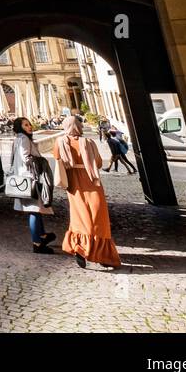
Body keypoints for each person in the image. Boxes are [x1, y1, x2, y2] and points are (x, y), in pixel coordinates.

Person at [55, 115, 120, 269]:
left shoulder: (60, 142)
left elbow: (57, 158)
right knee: (99, 218)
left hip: (73, 184)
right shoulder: (88, 142)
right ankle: (102, 254)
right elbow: (98, 163)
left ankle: (80, 248)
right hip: (92, 183)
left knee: (79, 217)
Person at [11, 117, 56, 254]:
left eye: (29, 124)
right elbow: (26, 158)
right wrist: (41, 161)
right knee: (34, 210)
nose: (29, 126)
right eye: (26, 125)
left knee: (36, 209)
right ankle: (37, 243)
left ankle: (42, 235)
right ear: (20, 127)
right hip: (29, 179)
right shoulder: (24, 139)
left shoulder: (17, 139)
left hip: (21, 178)